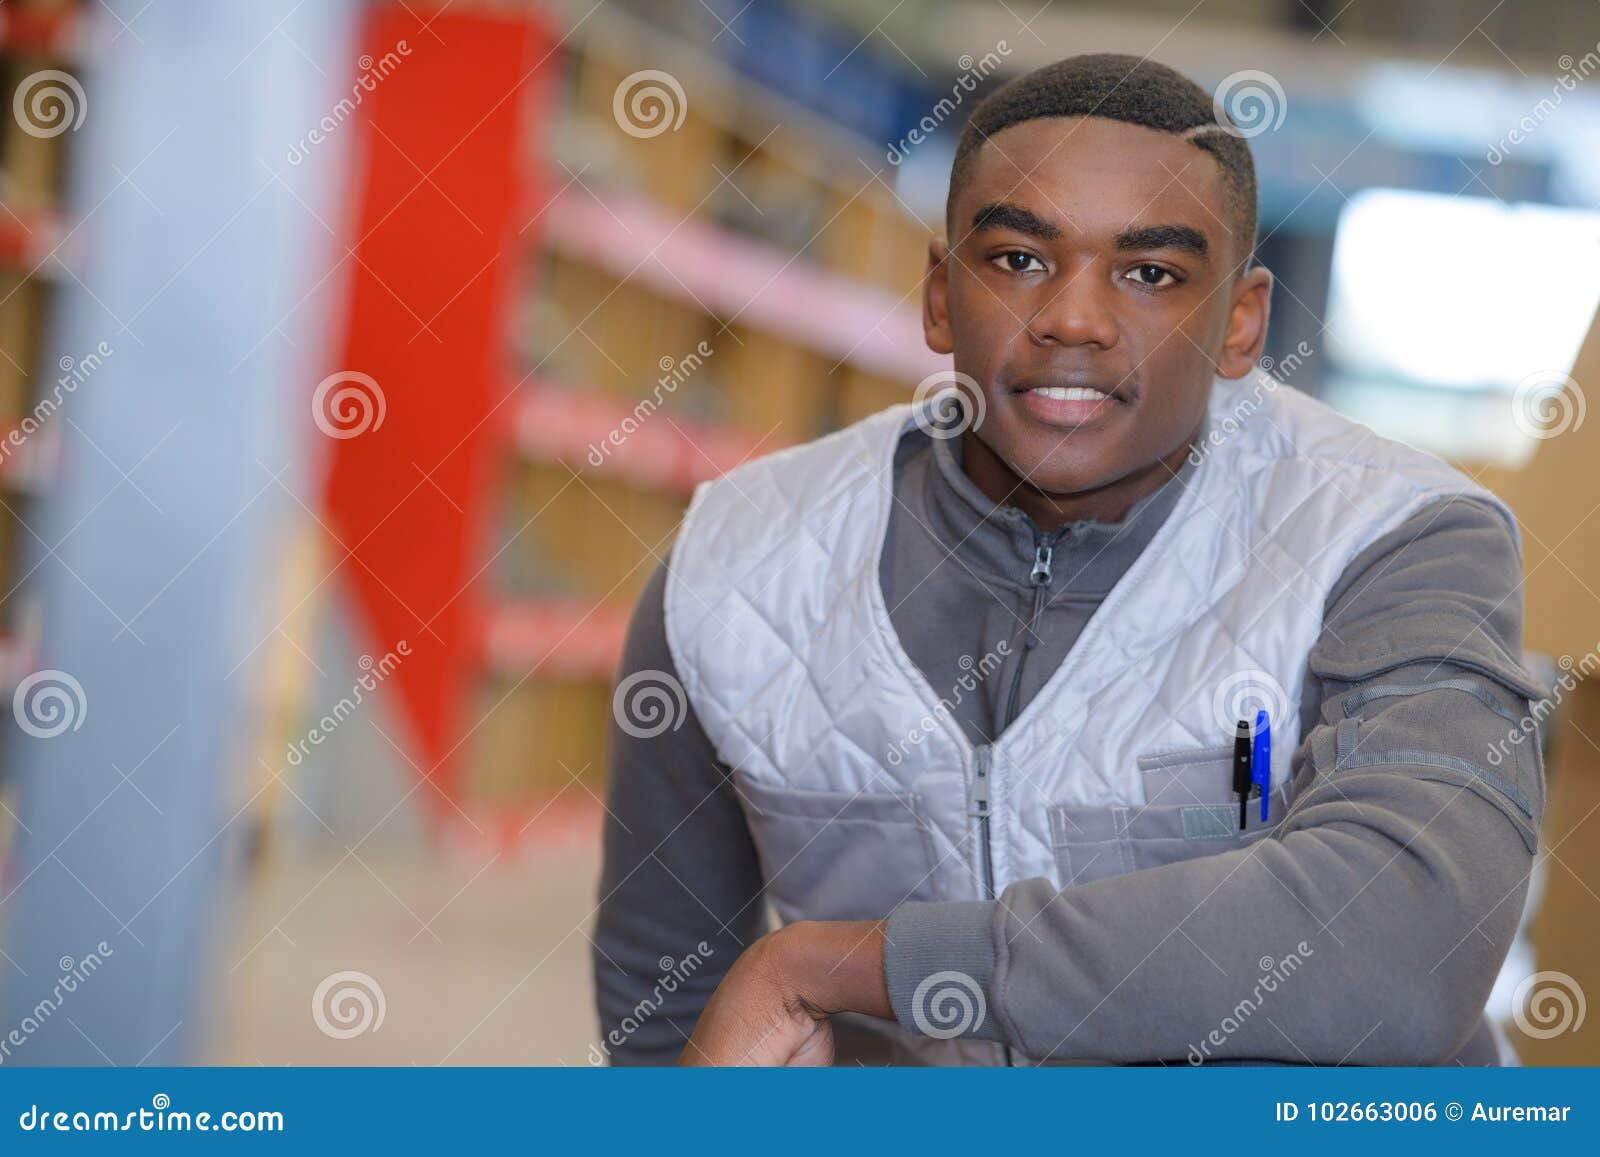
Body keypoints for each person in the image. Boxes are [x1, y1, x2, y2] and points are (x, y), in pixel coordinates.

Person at [592, 53, 1546, 1067]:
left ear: (1240, 320)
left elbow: (1400, 949)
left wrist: (843, 964)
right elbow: (669, 1007)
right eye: (1016, 259)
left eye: (1150, 273)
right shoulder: (740, 560)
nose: (1075, 319)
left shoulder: (1395, 537)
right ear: (938, 296)